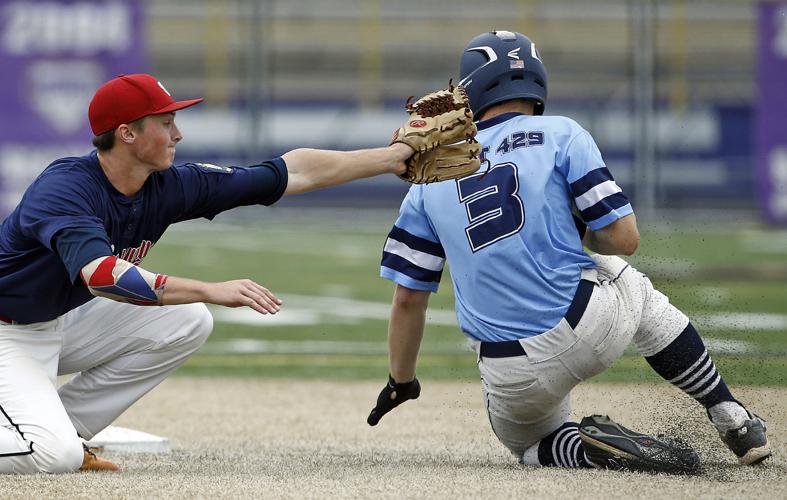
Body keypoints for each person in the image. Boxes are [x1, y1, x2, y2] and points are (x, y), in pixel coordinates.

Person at [366, 31, 771, 473]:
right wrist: (580, 233)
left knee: (527, 445)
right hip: (590, 322)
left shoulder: (427, 182)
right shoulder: (560, 133)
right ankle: (730, 414)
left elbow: (408, 298)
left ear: (471, 90)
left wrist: (400, 381)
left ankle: (589, 450)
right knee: (627, 278)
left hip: (511, 372)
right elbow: (625, 238)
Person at [0, 73, 418, 474]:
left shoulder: (166, 185)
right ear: (127, 133)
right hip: (7, 333)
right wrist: (210, 288)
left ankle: (67, 429)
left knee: (187, 320)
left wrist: (392, 158)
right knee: (52, 457)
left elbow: (293, 171)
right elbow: (104, 277)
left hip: (55, 319)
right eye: (165, 122)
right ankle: (52, 441)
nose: (177, 134)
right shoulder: (66, 188)